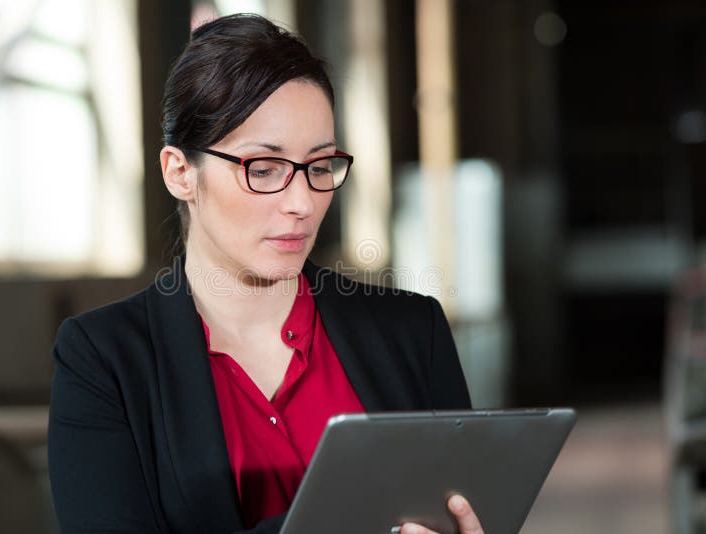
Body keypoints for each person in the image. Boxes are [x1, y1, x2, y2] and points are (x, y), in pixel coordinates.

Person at [48, 13, 483, 534]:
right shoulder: (103, 359)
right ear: (180, 172)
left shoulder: (414, 331)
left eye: (319, 167)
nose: (302, 202)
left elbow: (465, 507)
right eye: (264, 168)